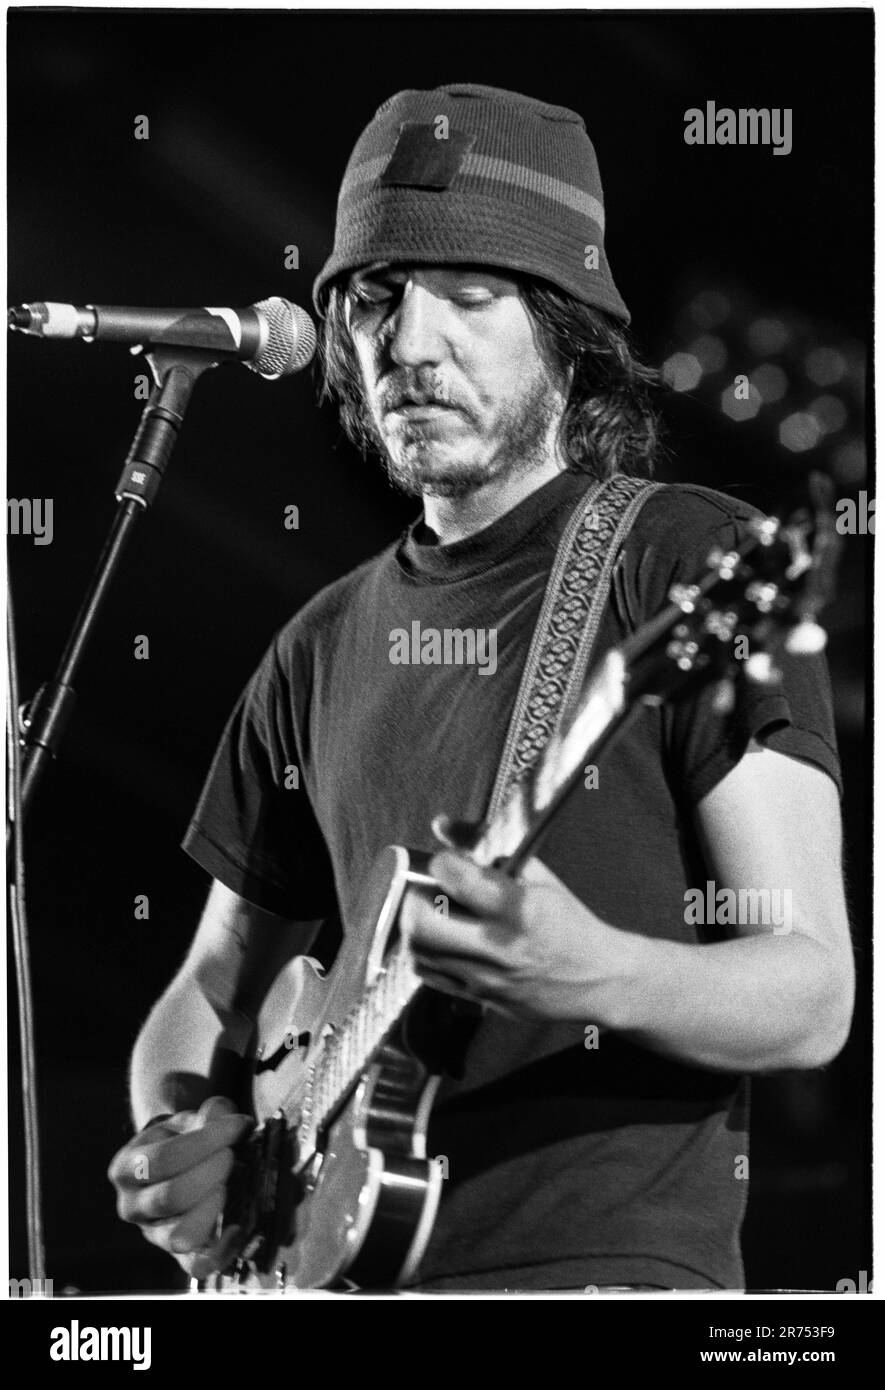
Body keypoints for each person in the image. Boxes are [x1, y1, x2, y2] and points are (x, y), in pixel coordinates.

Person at [108, 83, 854, 1293]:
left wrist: (594, 972)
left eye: (469, 295)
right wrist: (179, 1138)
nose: (408, 345)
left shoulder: (680, 558)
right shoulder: (317, 644)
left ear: (566, 329)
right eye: (375, 299)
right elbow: (208, 986)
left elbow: (814, 990)